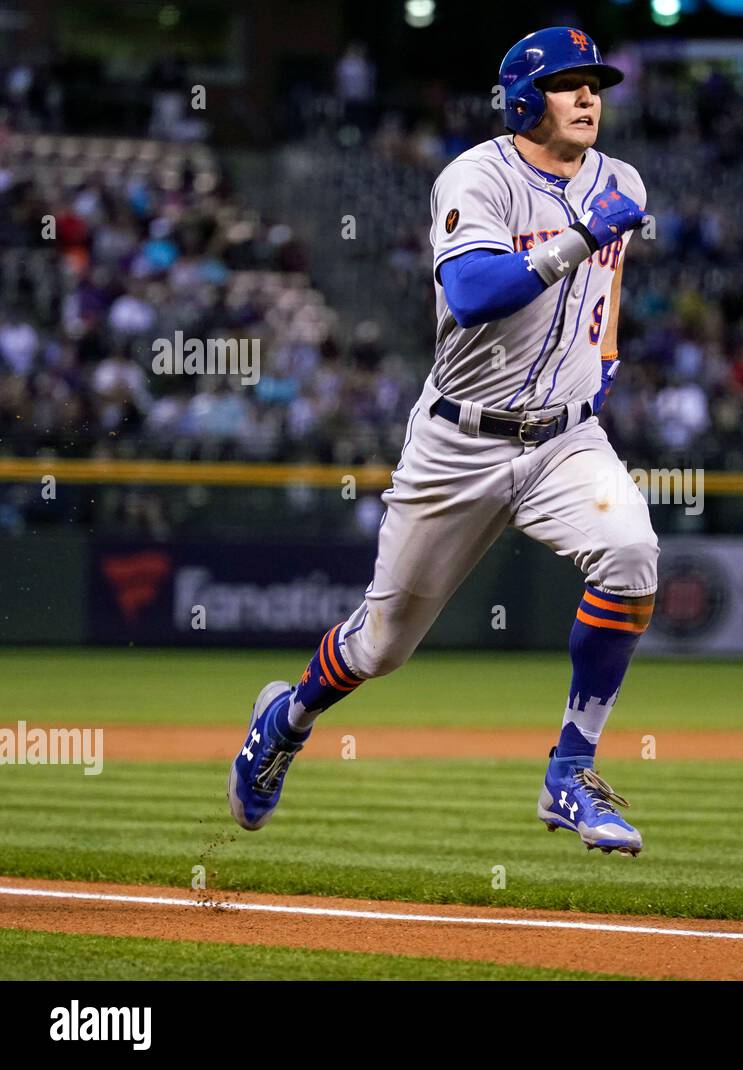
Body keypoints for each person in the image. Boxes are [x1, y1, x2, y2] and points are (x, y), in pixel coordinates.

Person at [229, 27, 655, 854]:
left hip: (566, 440)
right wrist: (579, 237)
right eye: (567, 83)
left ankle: (571, 771)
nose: (587, 97)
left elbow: (606, 299)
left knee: (634, 553)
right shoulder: (477, 175)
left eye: (594, 82)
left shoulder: (621, 180)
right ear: (523, 98)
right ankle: (285, 721)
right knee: (382, 647)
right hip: (461, 442)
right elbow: (470, 292)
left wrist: (597, 372)